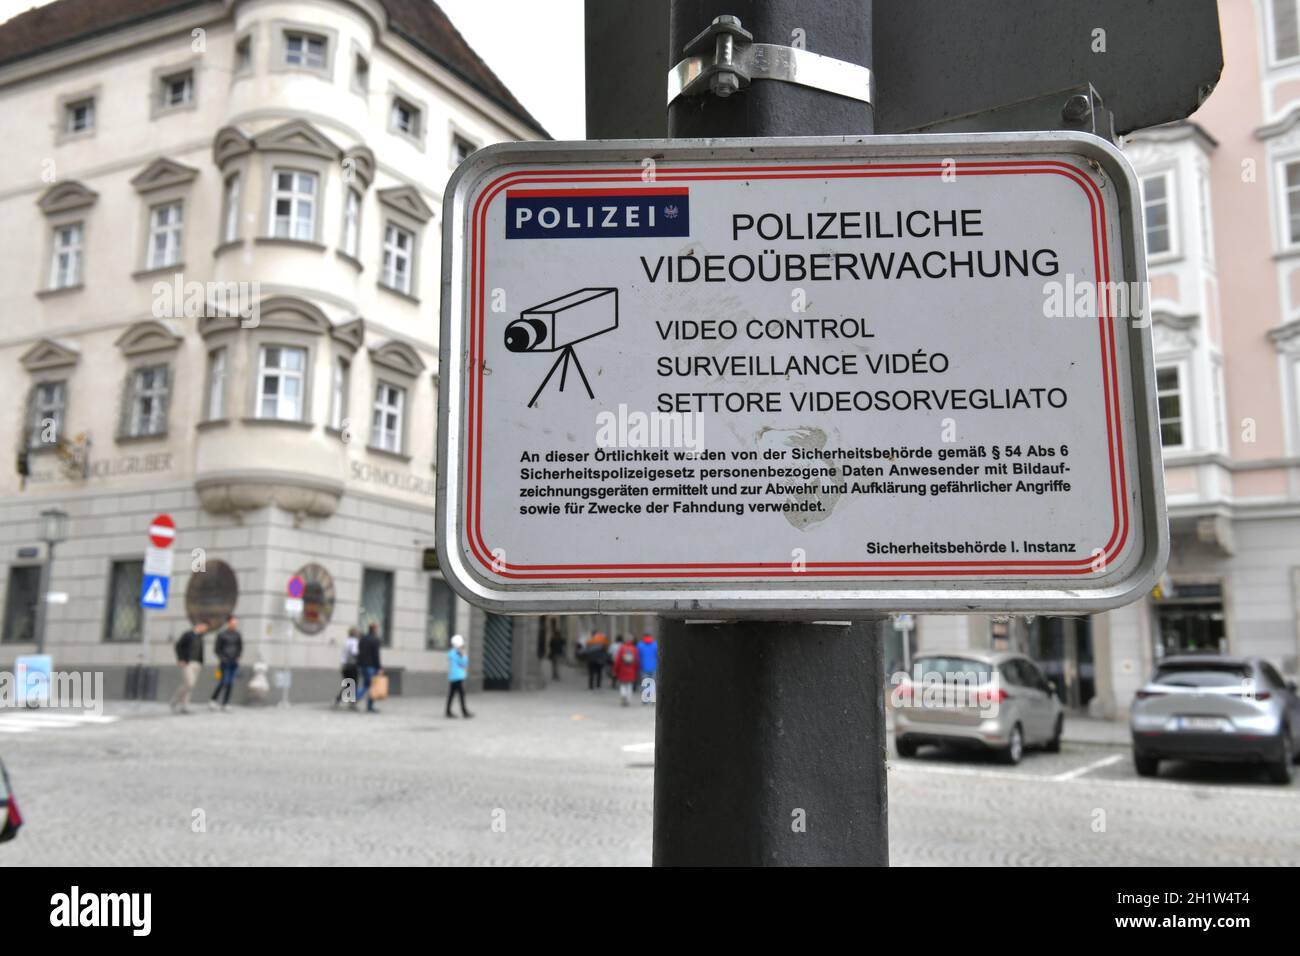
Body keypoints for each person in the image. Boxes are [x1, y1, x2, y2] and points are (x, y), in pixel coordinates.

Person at [169, 621, 207, 714]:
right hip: (187, 662)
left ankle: (184, 706)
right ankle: (174, 701)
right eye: (205, 627)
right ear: (199, 625)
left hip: (197, 663)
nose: (205, 630)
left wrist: (201, 662)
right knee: (189, 683)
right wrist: (180, 659)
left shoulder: (200, 637)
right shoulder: (188, 634)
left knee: (191, 686)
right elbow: (178, 646)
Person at [209, 615, 243, 711]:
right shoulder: (222, 634)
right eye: (233, 623)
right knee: (224, 682)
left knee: (230, 683)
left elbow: (240, 647)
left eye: (236, 623)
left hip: (233, 662)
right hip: (225, 662)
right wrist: (223, 658)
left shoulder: (237, 635)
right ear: (228, 623)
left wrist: (238, 656)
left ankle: (225, 703)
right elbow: (217, 649)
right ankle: (213, 700)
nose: (234, 624)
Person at [356, 622, 383, 713]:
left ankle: (367, 704)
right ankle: (367, 704)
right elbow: (376, 655)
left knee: (367, 685)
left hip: (363, 666)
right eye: (377, 629)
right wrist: (379, 667)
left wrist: (359, 665)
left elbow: (359, 653)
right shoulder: (375, 640)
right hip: (371, 666)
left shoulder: (362, 639)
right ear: (374, 629)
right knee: (372, 686)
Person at [333, 626, 361, 709]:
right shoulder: (354, 642)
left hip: (344, 665)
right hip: (352, 665)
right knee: (352, 684)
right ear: (355, 634)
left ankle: (340, 700)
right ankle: (350, 703)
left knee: (349, 684)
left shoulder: (346, 641)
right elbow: (354, 653)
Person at [446, 634, 473, 718]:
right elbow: (464, 664)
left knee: (452, 694)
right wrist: (463, 655)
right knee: (461, 694)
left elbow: (450, 656)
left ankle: (448, 711)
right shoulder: (458, 653)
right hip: (458, 676)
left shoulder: (451, 653)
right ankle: (464, 712)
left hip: (453, 676)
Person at [612, 634, 640, 707]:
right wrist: (636, 669)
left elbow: (617, 660)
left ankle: (623, 695)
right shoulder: (634, 649)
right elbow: (637, 661)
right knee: (629, 685)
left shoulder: (622, 648)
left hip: (623, 670)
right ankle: (628, 700)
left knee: (623, 684)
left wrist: (615, 670)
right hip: (631, 670)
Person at [637, 633, 658, 705]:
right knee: (652, 683)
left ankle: (645, 700)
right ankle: (652, 700)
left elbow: (638, 656)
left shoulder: (640, 645)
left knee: (645, 683)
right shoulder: (655, 645)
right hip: (654, 666)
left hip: (643, 666)